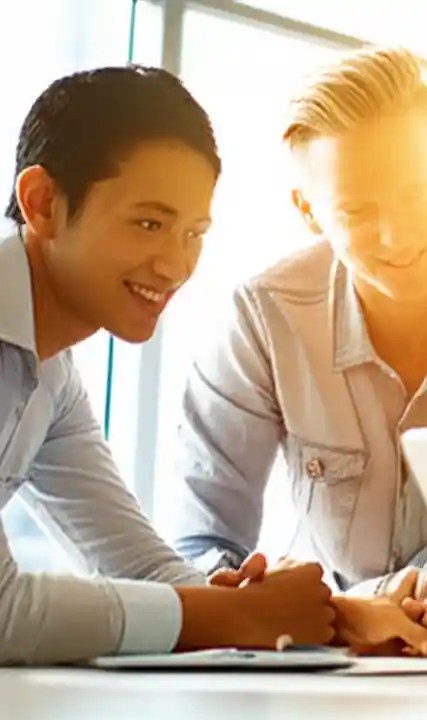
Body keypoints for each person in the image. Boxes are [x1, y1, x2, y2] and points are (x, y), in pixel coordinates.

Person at [168, 46, 427, 648]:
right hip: (318, 657)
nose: (397, 235)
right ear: (308, 211)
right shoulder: (265, 317)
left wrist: (366, 604)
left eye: (418, 193)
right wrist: (341, 610)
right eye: (359, 210)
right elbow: (199, 548)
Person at [0, 66, 335, 665]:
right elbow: (6, 615)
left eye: (194, 233)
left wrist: (323, 615)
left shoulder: (50, 376)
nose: (176, 265)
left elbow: (140, 565)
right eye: (150, 224)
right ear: (43, 203)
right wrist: (236, 615)